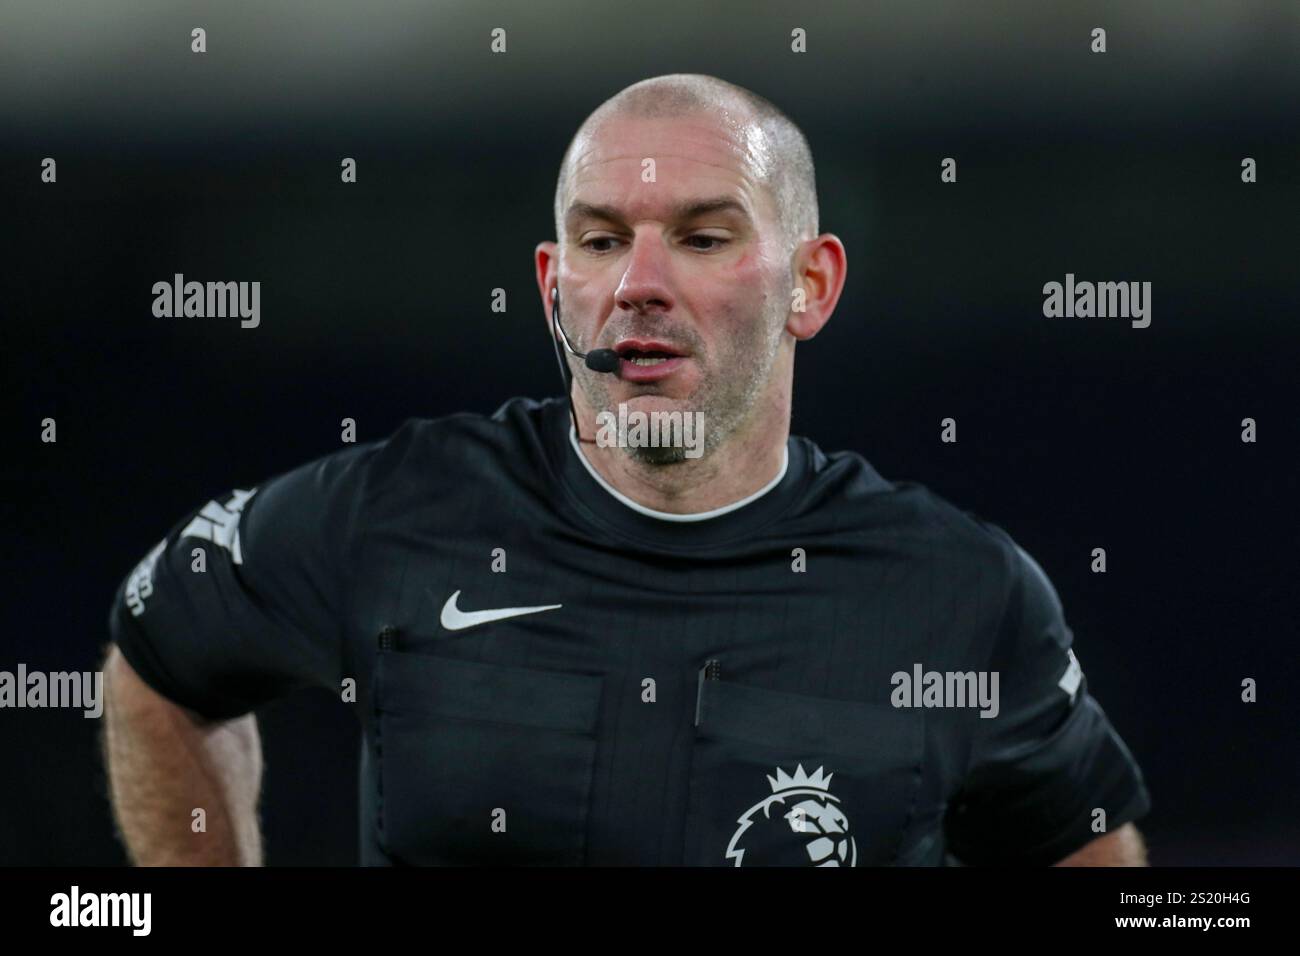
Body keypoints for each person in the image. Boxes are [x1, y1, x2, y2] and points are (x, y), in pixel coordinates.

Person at [103, 73, 1150, 866]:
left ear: (811, 284)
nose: (638, 284)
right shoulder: (399, 512)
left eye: (701, 236)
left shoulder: (957, 592)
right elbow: (158, 662)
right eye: (601, 243)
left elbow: (1084, 846)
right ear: (554, 288)